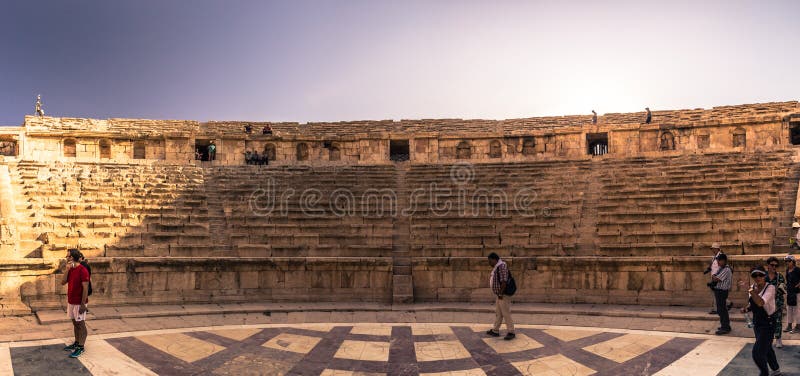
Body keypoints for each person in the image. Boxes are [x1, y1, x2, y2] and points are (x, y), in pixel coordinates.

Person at [741, 266, 781, 376]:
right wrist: (747, 308)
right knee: (767, 347)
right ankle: (776, 370)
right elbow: (752, 303)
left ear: (765, 275)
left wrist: (749, 289)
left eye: (760, 274)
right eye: (754, 275)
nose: (758, 277)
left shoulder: (770, 288)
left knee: (757, 353)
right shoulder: (753, 287)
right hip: (757, 322)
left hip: (768, 323)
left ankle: (764, 373)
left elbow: (760, 303)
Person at [61, 249, 90, 358]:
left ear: (72, 257)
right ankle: (77, 342)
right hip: (71, 301)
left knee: (81, 324)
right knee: (75, 323)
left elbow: (85, 288)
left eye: (68, 256)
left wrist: (83, 304)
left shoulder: (83, 270)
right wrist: (67, 270)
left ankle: (81, 347)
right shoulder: (71, 269)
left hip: (79, 302)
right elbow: (63, 282)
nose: (66, 257)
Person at [486, 253, 515, 340]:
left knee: (505, 313)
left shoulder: (502, 266)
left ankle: (511, 332)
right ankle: (495, 330)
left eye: (490, 261)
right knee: (498, 313)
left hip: (503, 294)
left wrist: (501, 293)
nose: (489, 263)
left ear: (494, 259)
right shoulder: (498, 267)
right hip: (500, 294)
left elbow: (504, 281)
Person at [765, 257, 786, 348]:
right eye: (772, 265)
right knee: (766, 321)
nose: (774, 267)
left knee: (778, 321)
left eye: (776, 265)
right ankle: (767, 338)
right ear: (768, 266)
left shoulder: (779, 276)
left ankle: (778, 339)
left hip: (777, 302)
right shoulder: (763, 276)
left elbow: (782, 289)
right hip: (766, 303)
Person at [705, 243, 731, 314]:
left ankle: (717, 308)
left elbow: (721, 267)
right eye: (712, 248)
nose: (712, 250)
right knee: (715, 292)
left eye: (713, 248)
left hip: (719, 277)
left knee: (717, 293)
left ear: (717, 249)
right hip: (714, 277)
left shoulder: (721, 256)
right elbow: (713, 265)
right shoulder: (714, 257)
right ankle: (727, 303)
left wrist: (717, 276)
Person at [712, 253, 732, 335]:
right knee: (720, 310)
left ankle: (725, 327)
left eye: (719, 261)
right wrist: (714, 277)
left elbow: (717, 279)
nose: (718, 263)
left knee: (722, 310)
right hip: (719, 290)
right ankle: (724, 325)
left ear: (724, 261)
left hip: (722, 291)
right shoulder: (721, 268)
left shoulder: (726, 269)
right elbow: (714, 276)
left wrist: (714, 277)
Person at [784, 255, 800, 333]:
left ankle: (798, 326)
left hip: (797, 292)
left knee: (797, 310)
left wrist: (797, 285)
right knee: (789, 309)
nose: (787, 263)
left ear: (793, 262)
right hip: (789, 292)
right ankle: (789, 325)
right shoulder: (787, 270)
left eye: (788, 261)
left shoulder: (797, 270)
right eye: (786, 261)